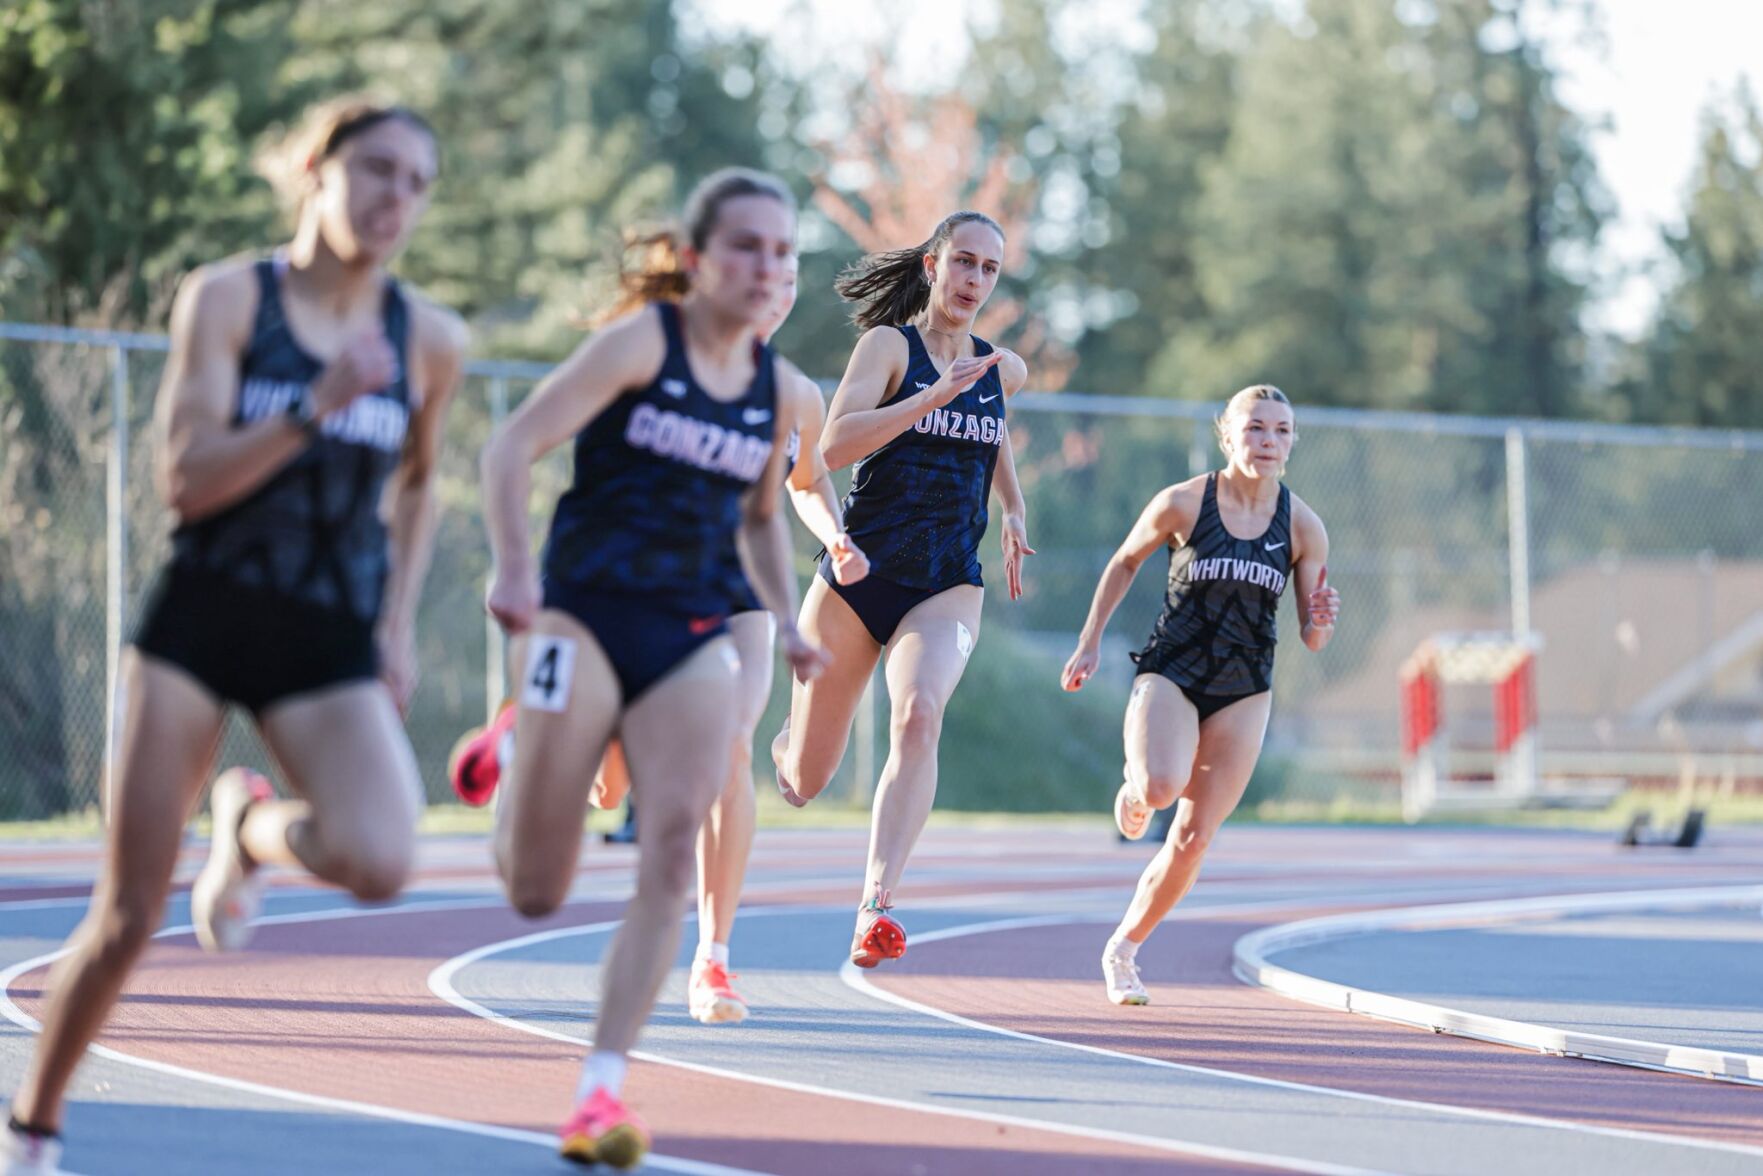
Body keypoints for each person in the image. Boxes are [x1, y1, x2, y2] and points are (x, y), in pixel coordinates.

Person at [3, 97, 466, 1170]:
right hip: (202, 618)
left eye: (419, 182)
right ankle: (31, 1132)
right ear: (316, 168)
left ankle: (250, 830)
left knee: (381, 856)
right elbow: (186, 483)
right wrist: (314, 400)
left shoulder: (427, 336)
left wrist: (394, 623)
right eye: (379, 171)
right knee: (125, 916)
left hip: (326, 631)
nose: (399, 197)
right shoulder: (226, 299)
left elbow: (419, 488)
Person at [476, 168, 828, 1169]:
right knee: (535, 889)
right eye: (747, 247)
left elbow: (763, 518)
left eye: (784, 251)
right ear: (695, 259)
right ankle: (523, 746)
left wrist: (789, 623)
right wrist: (510, 567)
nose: (768, 268)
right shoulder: (643, 343)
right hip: (581, 617)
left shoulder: (776, 390)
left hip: (689, 633)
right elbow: (511, 447)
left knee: (673, 847)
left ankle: (598, 1092)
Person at [583, 260, 869, 1024]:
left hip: (742, 593)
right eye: (757, 278)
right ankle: (611, 728)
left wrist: (835, 537)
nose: (770, 298)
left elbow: (806, 481)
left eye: (785, 285)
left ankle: (713, 958)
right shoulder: (658, 366)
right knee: (608, 792)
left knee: (733, 746)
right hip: (646, 588)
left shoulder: (797, 393)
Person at [768, 210, 1033, 969]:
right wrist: (929, 397)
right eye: (962, 263)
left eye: (987, 269)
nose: (973, 281)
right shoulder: (889, 347)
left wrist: (1012, 506)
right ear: (931, 266)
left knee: (919, 713)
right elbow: (832, 447)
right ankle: (789, 743)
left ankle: (875, 905)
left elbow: (996, 425)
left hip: (947, 580)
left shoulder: (998, 366)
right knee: (803, 784)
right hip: (859, 575)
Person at [1060, 384, 1340, 1006]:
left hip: (1244, 688)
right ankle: (1134, 788)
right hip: (1173, 671)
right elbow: (1125, 562)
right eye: (1256, 428)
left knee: (1193, 837)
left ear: (1292, 442)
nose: (1268, 442)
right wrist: (1089, 642)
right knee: (1161, 789)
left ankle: (1124, 949)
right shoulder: (1185, 502)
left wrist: (1322, 615)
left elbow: (1312, 637)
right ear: (1228, 434)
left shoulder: (1302, 525)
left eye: (1282, 431)